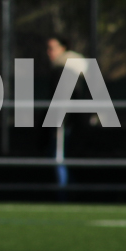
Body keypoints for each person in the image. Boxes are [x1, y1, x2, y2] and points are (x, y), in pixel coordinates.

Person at [45, 34, 84, 193]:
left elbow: (64, 99)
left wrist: (58, 124)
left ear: (63, 48)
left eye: (52, 48)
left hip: (67, 123)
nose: (49, 52)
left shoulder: (64, 68)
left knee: (58, 158)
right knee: (60, 157)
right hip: (74, 123)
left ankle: (66, 193)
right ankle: (70, 191)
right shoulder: (73, 66)